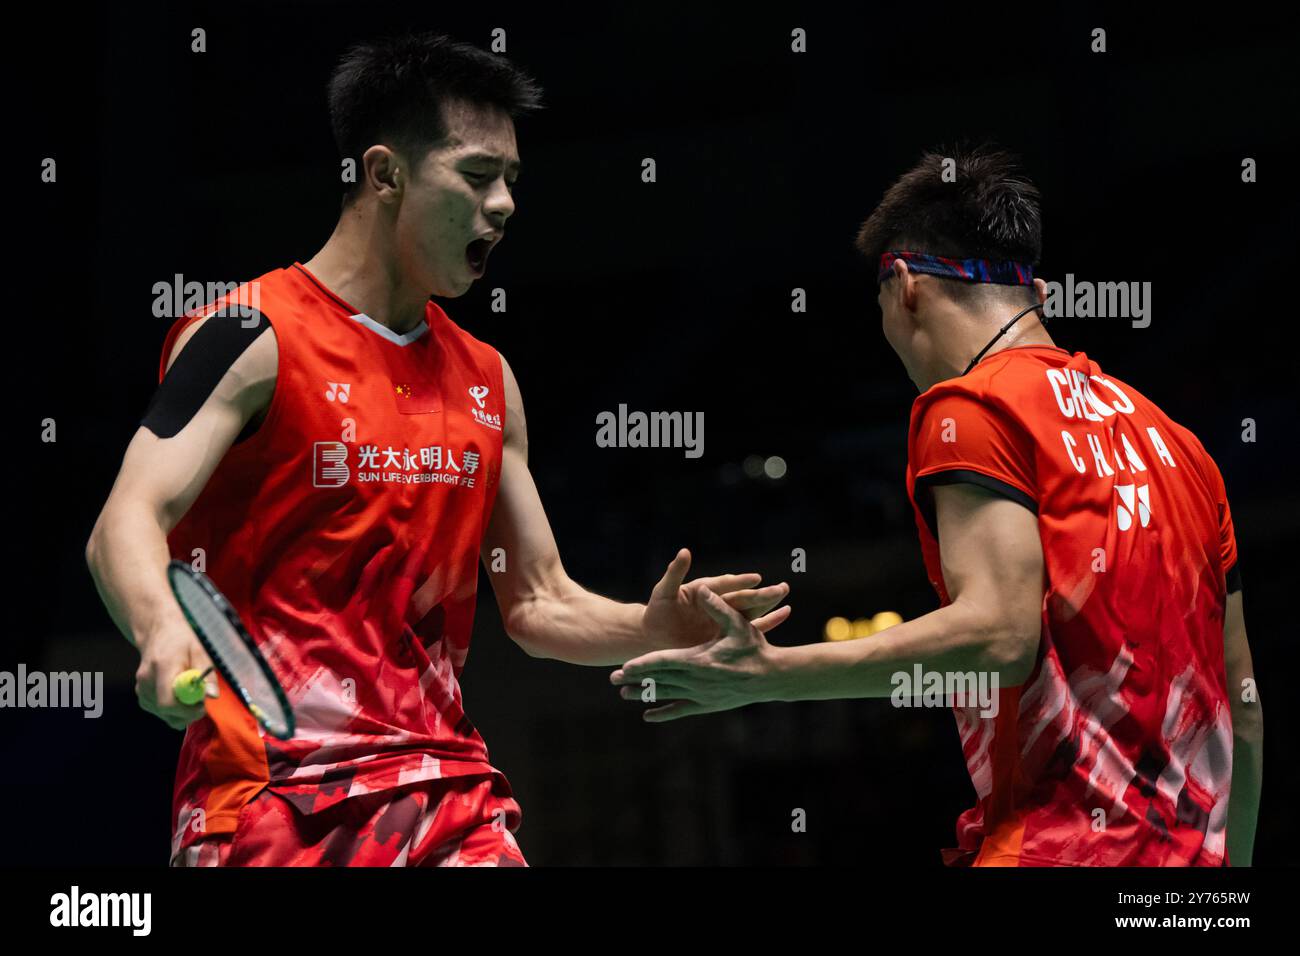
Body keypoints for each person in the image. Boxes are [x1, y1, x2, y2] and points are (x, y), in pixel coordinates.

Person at [85, 32, 789, 867]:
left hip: (450, 796)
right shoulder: (249, 335)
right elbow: (126, 518)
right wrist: (163, 631)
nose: (505, 206)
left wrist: (646, 624)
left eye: (514, 182)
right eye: (478, 175)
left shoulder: (487, 378)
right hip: (274, 796)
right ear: (385, 175)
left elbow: (536, 601)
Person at [612, 146, 1261, 867]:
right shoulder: (1179, 445)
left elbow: (997, 637)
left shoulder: (969, 406)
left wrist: (770, 673)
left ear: (905, 283)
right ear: (1037, 292)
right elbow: (1246, 702)